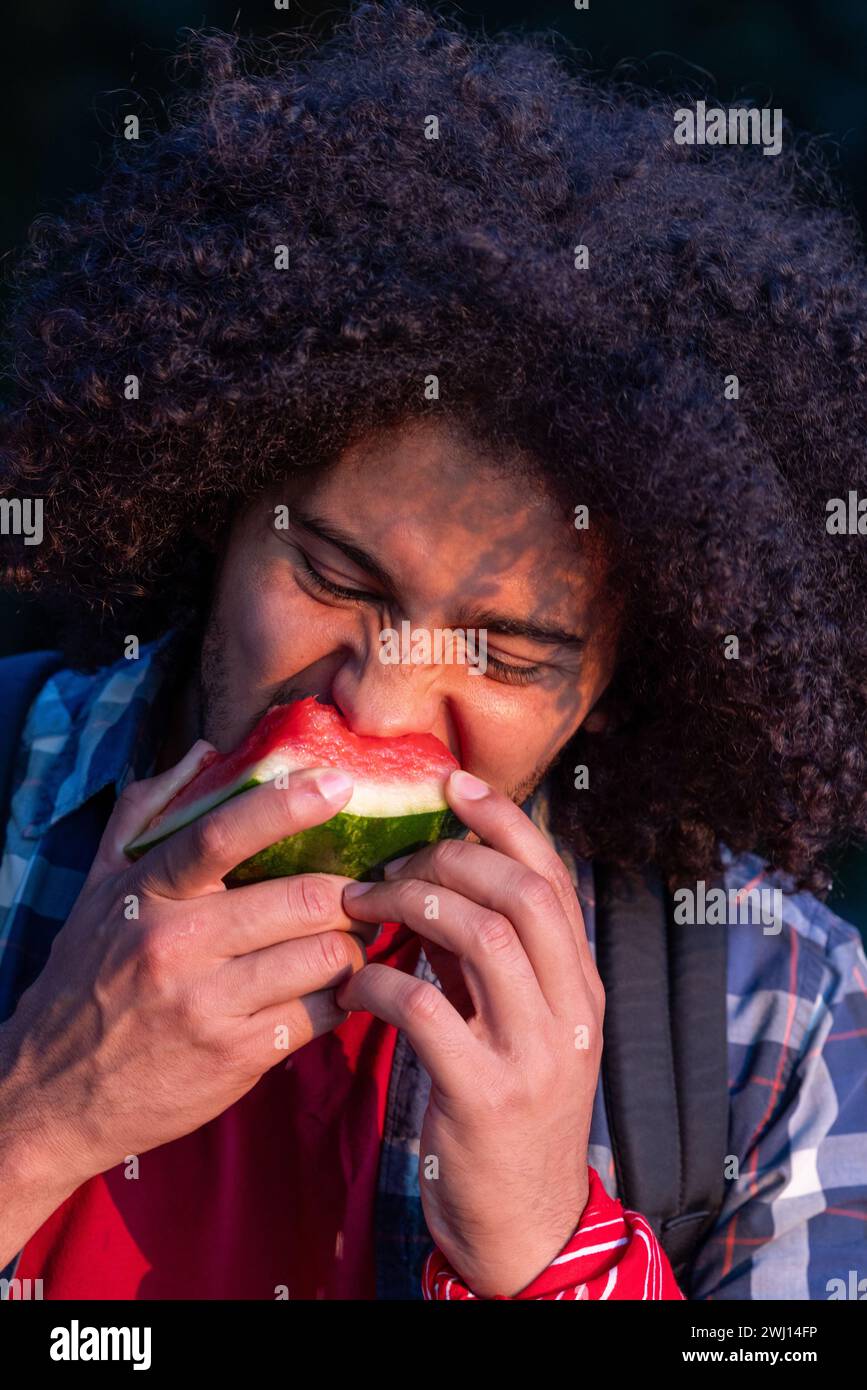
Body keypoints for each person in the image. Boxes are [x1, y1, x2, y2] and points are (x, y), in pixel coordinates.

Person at [1, 1, 865, 1301]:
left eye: (507, 655)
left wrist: (548, 1245)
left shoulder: (781, 1012)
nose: (378, 702)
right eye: (334, 576)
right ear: (215, 499)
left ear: (622, 677)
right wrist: (41, 1110)